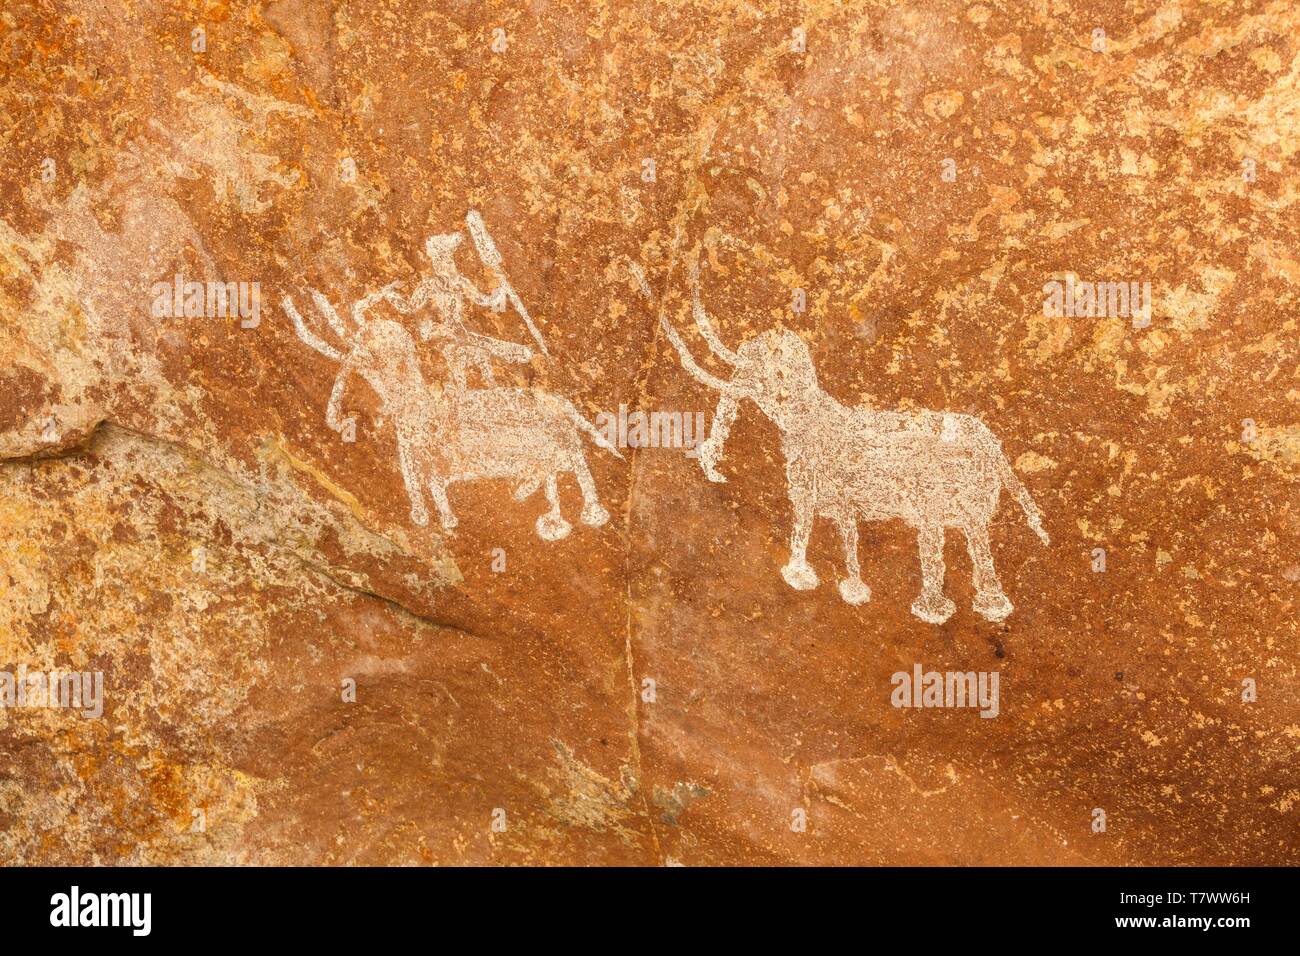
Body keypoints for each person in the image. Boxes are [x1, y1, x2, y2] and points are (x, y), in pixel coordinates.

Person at [383, 232, 534, 390]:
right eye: (443, 260)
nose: (448, 264)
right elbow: (409, 307)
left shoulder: (459, 281)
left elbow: (482, 300)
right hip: (439, 332)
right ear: (436, 262)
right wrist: (389, 292)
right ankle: (515, 353)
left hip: (458, 329)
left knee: (478, 339)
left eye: (449, 260)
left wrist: (498, 291)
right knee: (476, 340)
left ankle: (514, 355)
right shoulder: (430, 284)